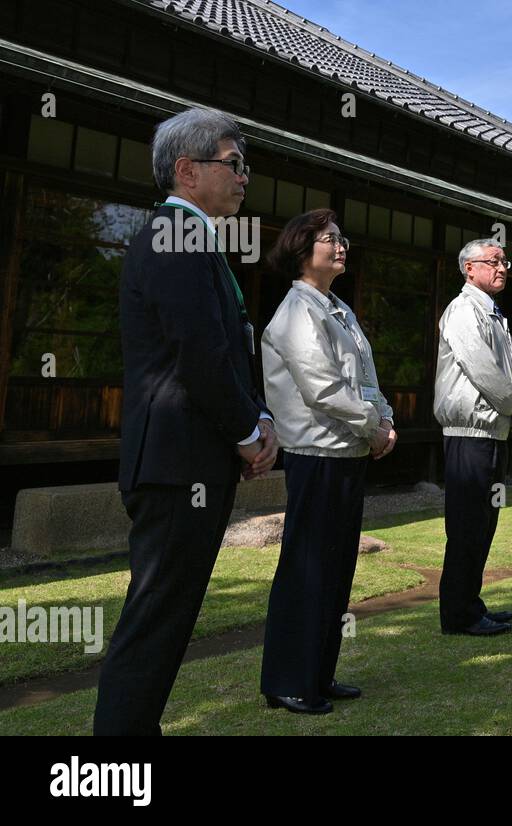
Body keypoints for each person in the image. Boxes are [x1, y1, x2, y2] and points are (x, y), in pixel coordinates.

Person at [95, 108, 277, 735]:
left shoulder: (195, 239)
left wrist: (253, 415)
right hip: (176, 463)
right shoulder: (176, 235)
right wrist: (251, 434)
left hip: (189, 461)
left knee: (165, 617)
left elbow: (223, 347)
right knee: (154, 619)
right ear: (187, 170)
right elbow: (199, 352)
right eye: (234, 163)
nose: (244, 177)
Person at [258, 209, 397, 715]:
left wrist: (383, 418)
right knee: (307, 567)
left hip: (346, 451)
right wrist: (373, 424)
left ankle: (319, 673)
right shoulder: (297, 310)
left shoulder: (337, 307)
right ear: (301, 249)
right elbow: (322, 389)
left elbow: (365, 376)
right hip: (315, 453)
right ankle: (287, 680)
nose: (340, 247)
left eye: (342, 238)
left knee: (337, 568)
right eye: (328, 239)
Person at [434, 239, 512, 636]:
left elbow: (511, 371)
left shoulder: (493, 313)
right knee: (465, 526)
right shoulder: (463, 311)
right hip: (469, 432)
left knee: (483, 524)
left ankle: (470, 604)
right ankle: (458, 614)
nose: (502, 268)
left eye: (504, 261)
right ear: (469, 269)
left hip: (492, 430)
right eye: (493, 261)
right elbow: (484, 372)